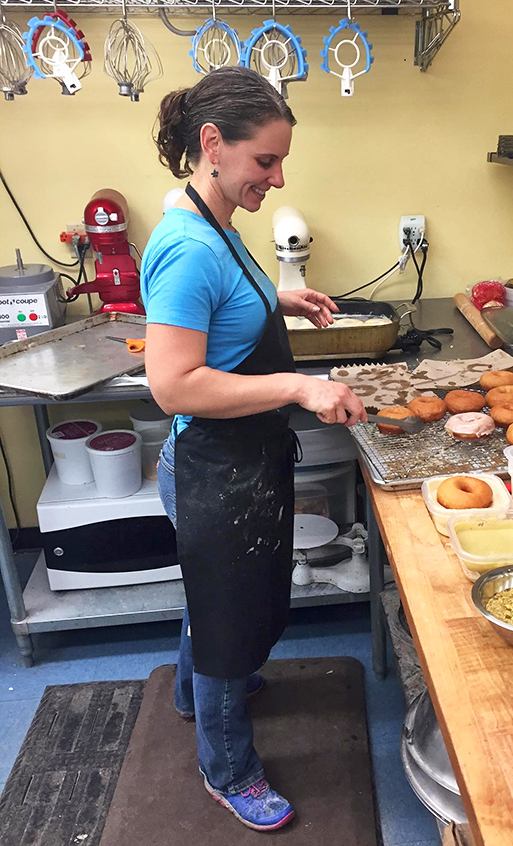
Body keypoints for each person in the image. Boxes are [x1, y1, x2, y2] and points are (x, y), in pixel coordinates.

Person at [141, 66, 366, 833]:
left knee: (216, 604)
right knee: (227, 623)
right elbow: (174, 385)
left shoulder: (210, 219)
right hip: (211, 470)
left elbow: (221, 302)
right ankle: (227, 766)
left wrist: (277, 297)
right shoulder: (187, 246)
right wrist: (300, 387)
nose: (277, 177)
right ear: (213, 144)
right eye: (265, 160)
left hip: (238, 465)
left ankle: (192, 692)